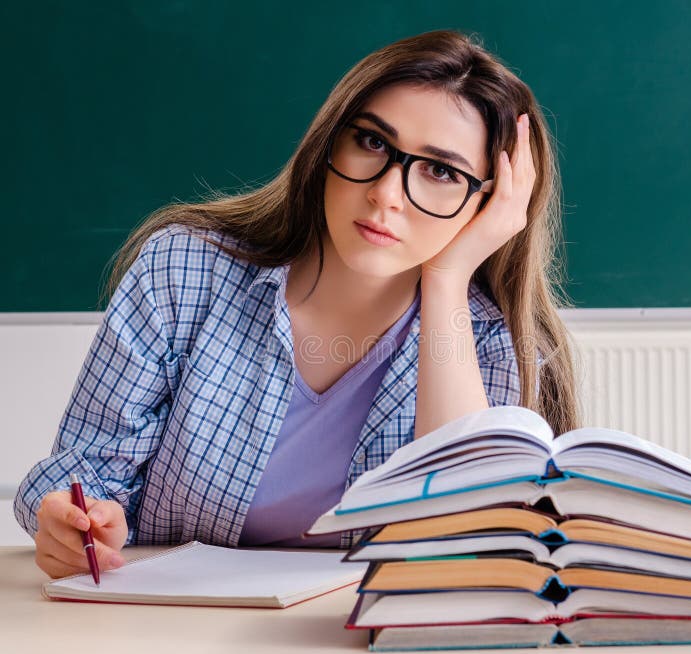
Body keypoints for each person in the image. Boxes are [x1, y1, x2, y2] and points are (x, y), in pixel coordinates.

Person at [15, 29, 579, 579]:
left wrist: (448, 278)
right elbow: (82, 476)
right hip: (172, 621)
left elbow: (467, 546)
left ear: (491, 203)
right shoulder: (183, 271)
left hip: (358, 627)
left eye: (440, 171)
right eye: (372, 142)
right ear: (329, 141)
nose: (385, 194)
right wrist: (77, 522)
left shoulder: (495, 340)